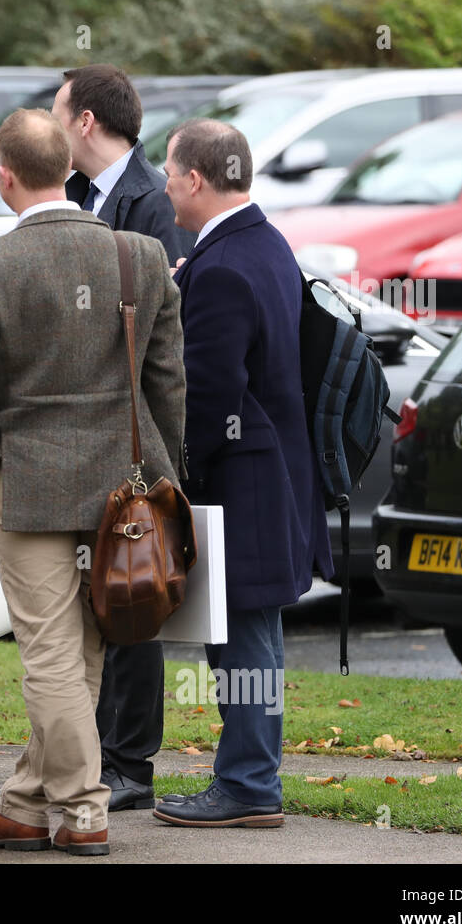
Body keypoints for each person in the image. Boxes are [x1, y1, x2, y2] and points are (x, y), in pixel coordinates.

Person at [0, 109, 185, 856]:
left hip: (30, 489)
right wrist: (165, 478)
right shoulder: (140, 255)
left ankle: (81, 812)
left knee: (51, 654)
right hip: (126, 484)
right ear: (67, 169)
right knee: (80, 656)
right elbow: (169, 381)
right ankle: (22, 804)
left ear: (5, 175)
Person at [7, 62, 188, 813]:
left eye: (57, 111)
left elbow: (161, 343)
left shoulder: (151, 204)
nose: (50, 125)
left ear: (85, 122)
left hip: (128, 442)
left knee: (131, 593)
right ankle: (75, 768)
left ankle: (129, 766)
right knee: (80, 620)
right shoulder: (80, 198)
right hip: (72, 441)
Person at [152, 118, 332, 828]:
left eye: (169, 173)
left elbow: (211, 393)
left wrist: (178, 475)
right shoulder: (265, 244)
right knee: (255, 633)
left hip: (243, 484)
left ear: (197, 178)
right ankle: (250, 776)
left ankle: (250, 784)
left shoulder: (223, 264)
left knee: (244, 638)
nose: (165, 186)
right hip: (273, 474)